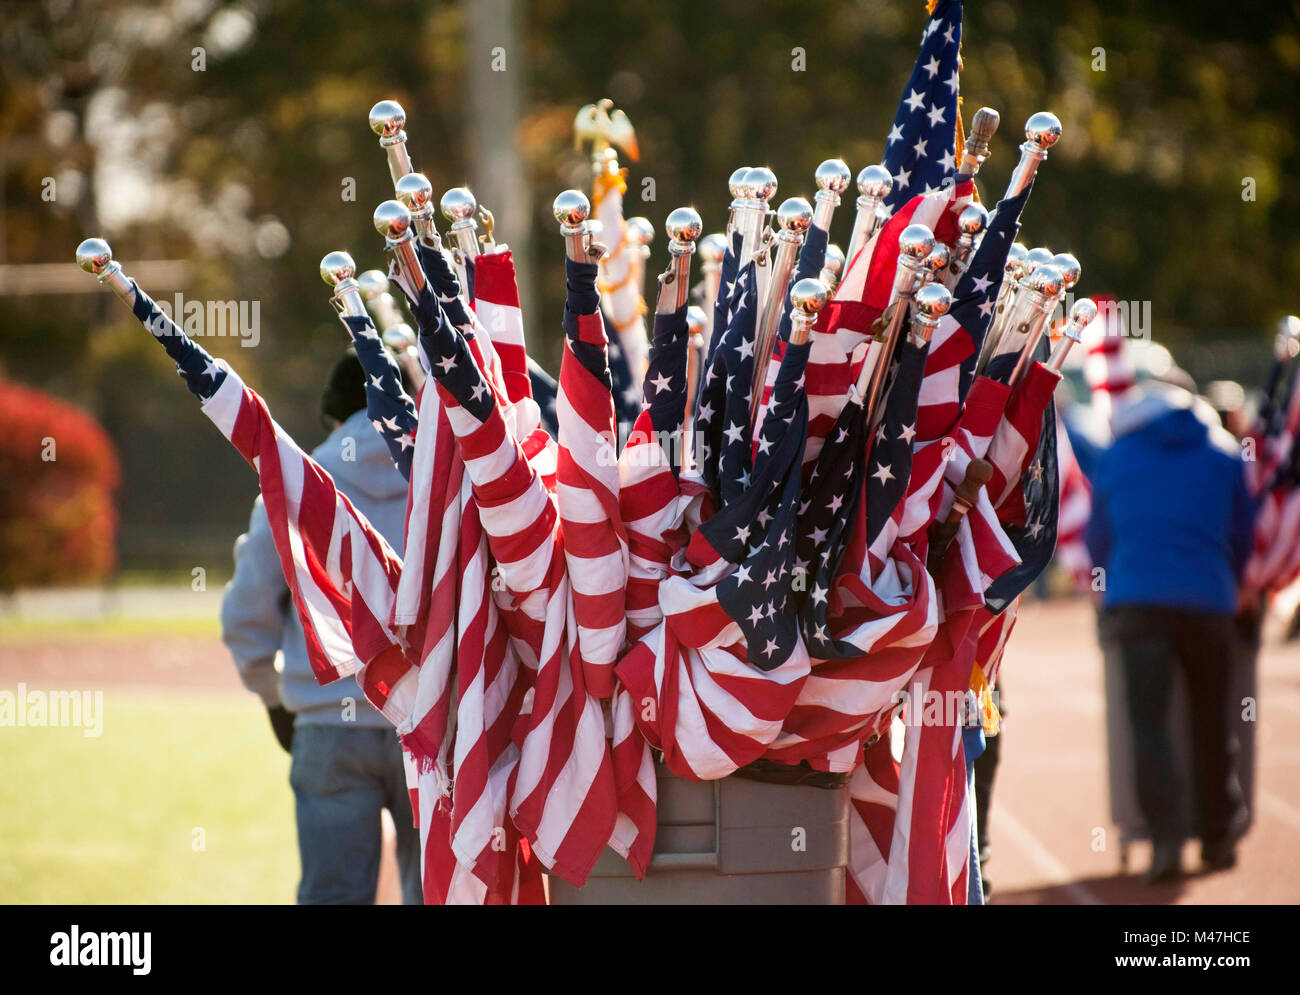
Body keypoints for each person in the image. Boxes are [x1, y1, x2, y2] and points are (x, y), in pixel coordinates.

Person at [221, 350, 422, 904]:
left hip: (328, 720)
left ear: (334, 419)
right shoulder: (444, 484)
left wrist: (276, 700)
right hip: (431, 726)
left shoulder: (292, 486)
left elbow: (245, 616)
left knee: (332, 896)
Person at [1085, 377, 1253, 883]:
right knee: (1212, 718)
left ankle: (1165, 841)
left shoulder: (1118, 455)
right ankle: (1218, 836)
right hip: (1209, 601)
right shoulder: (1224, 454)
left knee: (1149, 724)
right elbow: (1243, 531)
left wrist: (1106, 584)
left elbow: (1098, 538)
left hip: (1137, 601)